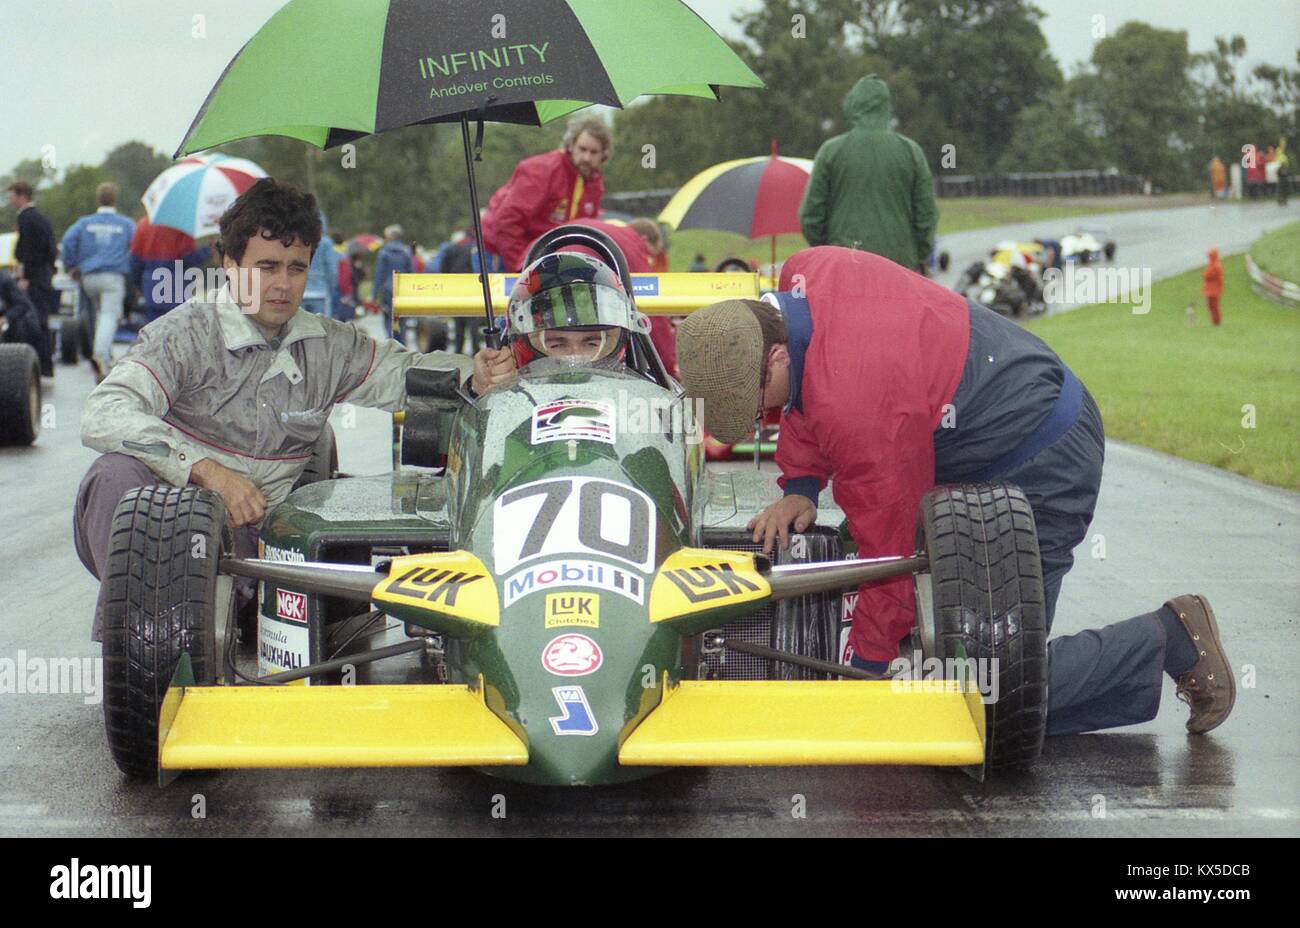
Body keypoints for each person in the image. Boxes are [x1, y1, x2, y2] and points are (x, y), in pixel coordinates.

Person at [675, 246, 1235, 737]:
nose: (765, 417)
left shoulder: (860, 400)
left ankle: (1172, 636)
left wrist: (868, 677)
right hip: (990, 431)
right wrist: (800, 483)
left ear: (773, 355)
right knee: (942, 663)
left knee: (982, 701)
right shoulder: (803, 278)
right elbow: (808, 392)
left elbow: (887, 554)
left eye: (759, 403)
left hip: (1044, 458)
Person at [73, 178, 496, 642]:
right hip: (163, 530)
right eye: (266, 266)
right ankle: (150, 637)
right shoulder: (182, 334)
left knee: (329, 571)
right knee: (114, 474)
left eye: (296, 268)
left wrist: (477, 375)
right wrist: (209, 472)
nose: (281, 284)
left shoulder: (330, 344)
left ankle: (238, 613)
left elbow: (410, 373)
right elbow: (105, 411)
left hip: (256, 542)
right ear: (229, 264)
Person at [799, 75, 938, 273]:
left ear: (853, 106)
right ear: (886, 108)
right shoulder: (911, 151)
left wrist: (829, 250)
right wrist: (917, 254)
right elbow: (927, 216)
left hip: (845, 266)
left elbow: (810, 216)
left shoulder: (830, 151)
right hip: (900, 267)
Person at [481, 114, 611, 271]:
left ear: (603, 154)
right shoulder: (543, 170)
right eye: (582, 149)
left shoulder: (594, 184)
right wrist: (522, 269)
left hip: (543, 257)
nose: (587, 158)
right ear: (570, 145)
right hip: (499, 251)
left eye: (594, 152)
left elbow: (585, 232)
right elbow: (506, 222)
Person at [61, 183, 136, 379]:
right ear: (115, 199)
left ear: (98, 199)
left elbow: (68, 241)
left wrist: (71, 266)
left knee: (97, 316)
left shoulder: (84, 223)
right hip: (113, 276)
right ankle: (102, 356)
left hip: (89, 276)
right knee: (109, 316)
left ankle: (104, 354)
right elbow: (135, 249)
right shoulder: (126, 224)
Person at [6, 181, 58, 376]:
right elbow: (50, 250)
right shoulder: (41, 218)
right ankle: (46, 365)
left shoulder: (26, 219)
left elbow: (29, 251)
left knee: (34, 322)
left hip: (34, 278)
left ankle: (40, 365)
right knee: (41, 320)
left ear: (22, 196)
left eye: (11, 196)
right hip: (43, 277)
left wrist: (25, 276)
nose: (10, 201)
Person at [130, 215, 212, 317]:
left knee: (154, 330)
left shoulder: (143, 224)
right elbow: (188, 259)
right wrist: (208, 250)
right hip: (177, 290)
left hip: (151, 289)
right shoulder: (182, 226)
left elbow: (135, 262)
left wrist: (140, 287)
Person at [373, 223, 414, 341]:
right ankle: (402, 344)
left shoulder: (384, 253)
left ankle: (392, 345)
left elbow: (379, 275)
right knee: (401, 320)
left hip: (388, 291)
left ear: (389, 237)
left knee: (389, 320)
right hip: (402, 290)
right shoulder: (406, 252)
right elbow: (411, 272)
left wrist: (374, 294)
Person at [1202, 248, 1224, 326]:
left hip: (1213, 289)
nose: (1208, 257)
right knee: (1211, 305)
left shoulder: (1215, 265)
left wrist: (1205, 275)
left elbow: (1207, 275)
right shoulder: (1213, 264)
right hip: (1211, 288)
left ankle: (1216, 321)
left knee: (1213, 305)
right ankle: (1214, 320)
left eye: (1210, 255)